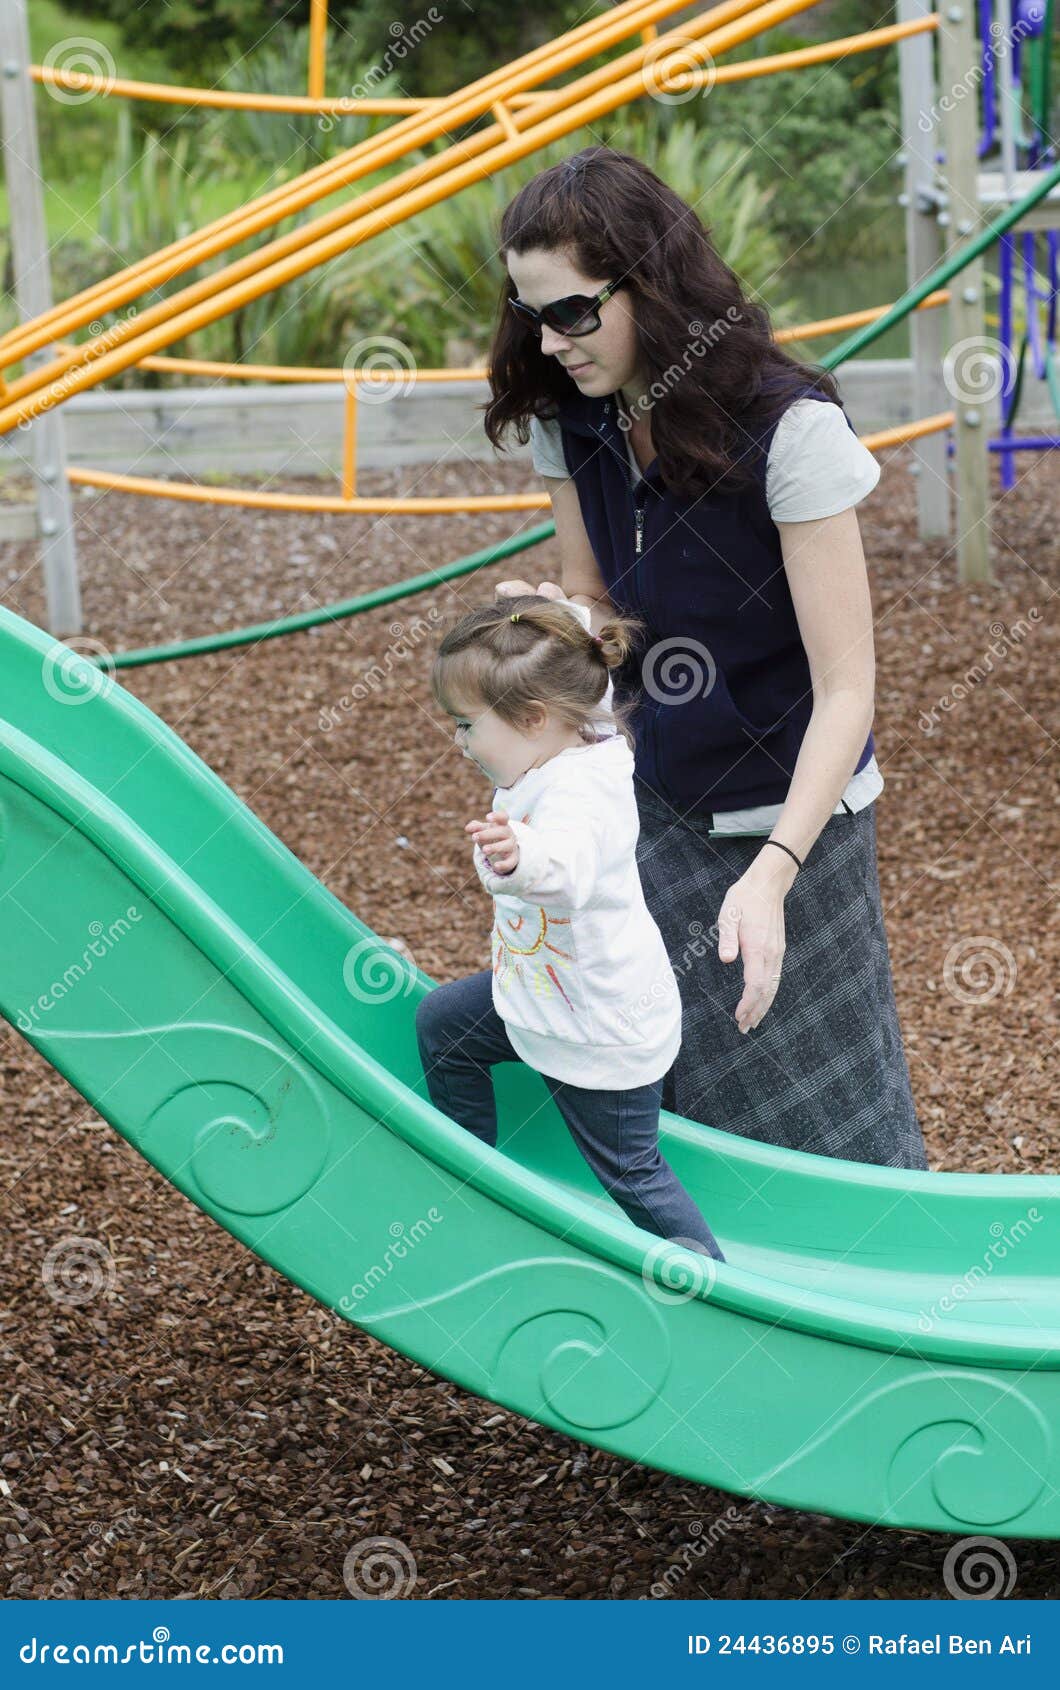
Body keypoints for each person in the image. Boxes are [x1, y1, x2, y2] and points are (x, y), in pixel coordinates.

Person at [481, 144, 929, 1170]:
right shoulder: (574, 416)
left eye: (571, 312)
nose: (548, 343)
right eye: (529, 315)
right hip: (652, 807)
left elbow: (848, 688)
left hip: (791, 823)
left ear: (655, 284)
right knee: (661, 1096)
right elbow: (601, 606)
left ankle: (871, 1322)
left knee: (828, 1133)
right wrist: (560, 623)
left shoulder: (790, 428)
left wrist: (774, 872)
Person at [414, 592, 725, 1262]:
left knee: (633, 1173)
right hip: (543, 999)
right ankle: (472, 1180)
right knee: (444, 1023)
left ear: (531, 719)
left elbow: (569, 863)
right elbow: (594, 681)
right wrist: (568, 625)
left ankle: (713, 1284)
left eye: (466, 725)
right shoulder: (589, 732)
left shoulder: (578, 795)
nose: (458, 740)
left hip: (596, 1028)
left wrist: (521, 856)